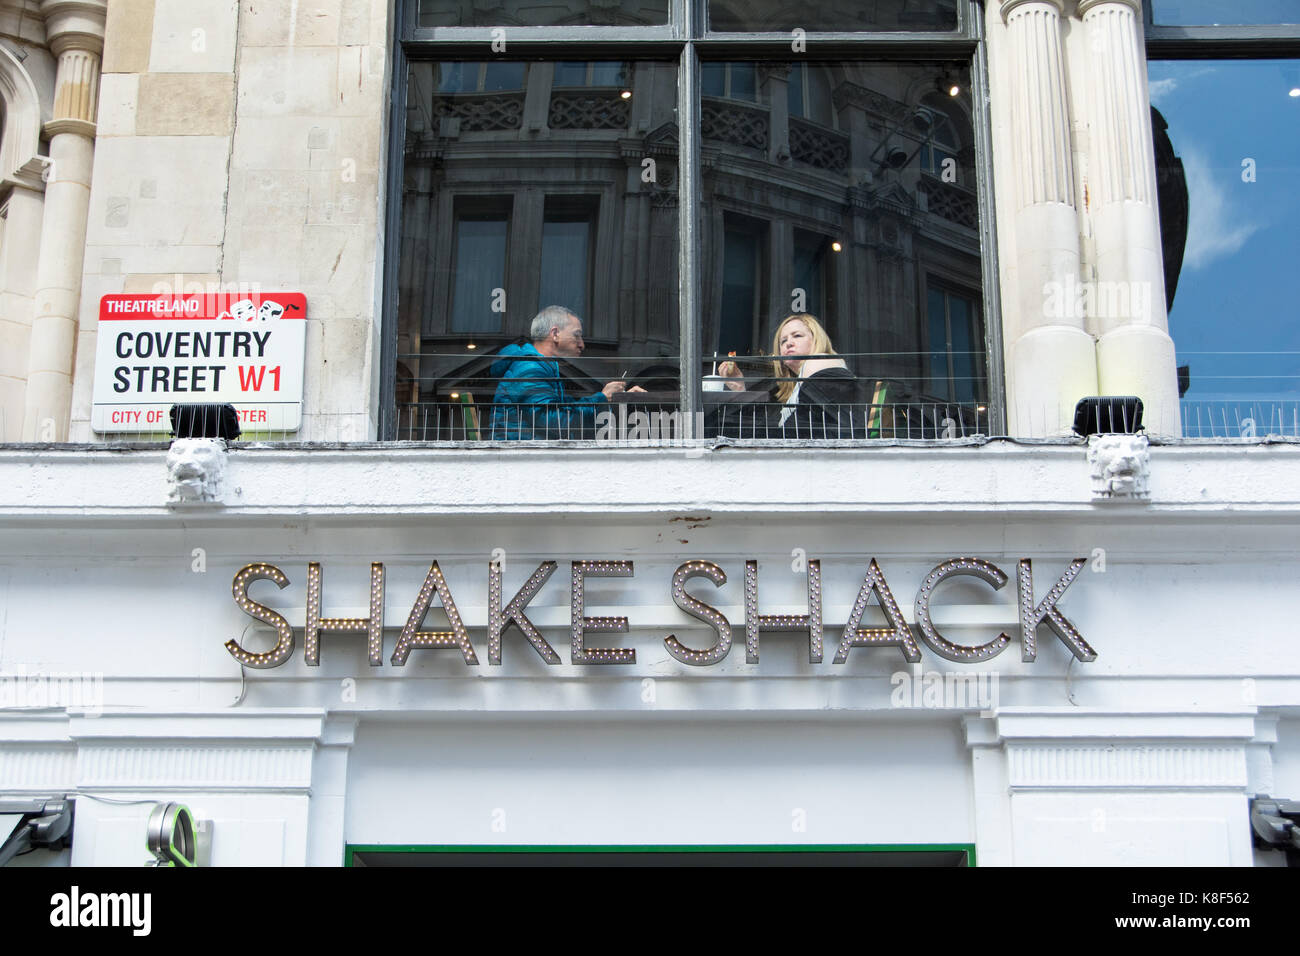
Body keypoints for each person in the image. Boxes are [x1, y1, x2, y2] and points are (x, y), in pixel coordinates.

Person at [489, 306, 642, 439]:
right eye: (577, 335)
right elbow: (556, 422)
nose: (582, 344)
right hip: (525, 463)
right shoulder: (530, 368)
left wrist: (610, 399)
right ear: (555, 333)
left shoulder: (539, 367)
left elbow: (561, 413)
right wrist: (602, 398)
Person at [717, 313, 860, 438]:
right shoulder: (801, 381)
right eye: (783, 341)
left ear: (816, 339)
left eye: (797, 336)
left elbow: (799, 432)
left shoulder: (819, 361)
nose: (789, 343)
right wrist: (740, 388)